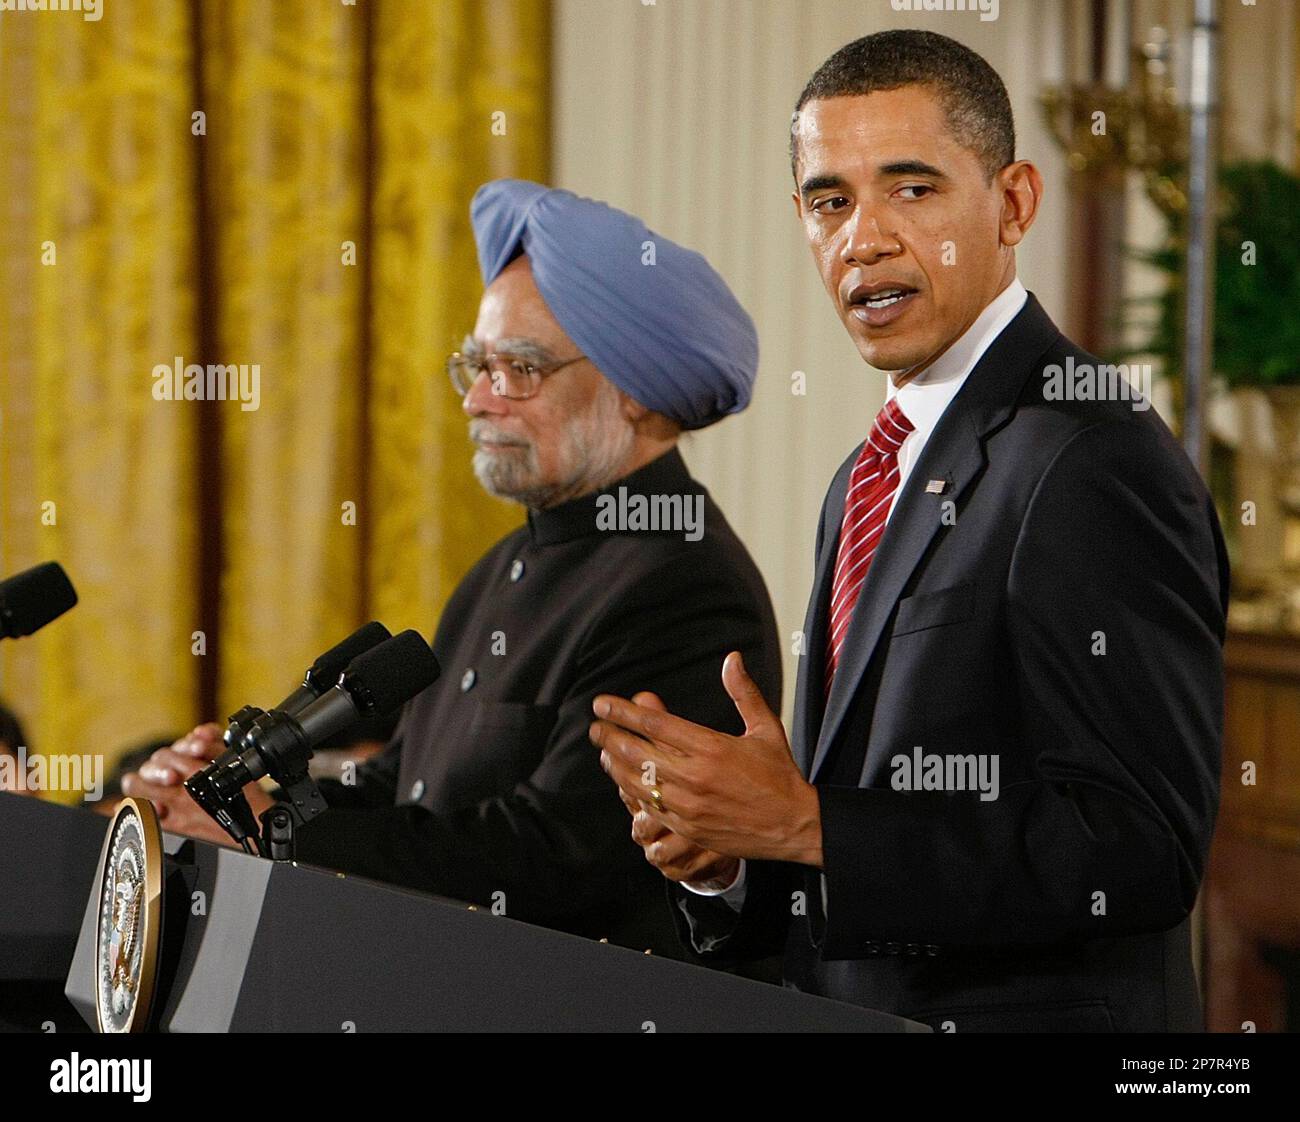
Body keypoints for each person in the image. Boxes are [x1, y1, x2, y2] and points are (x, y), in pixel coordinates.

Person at [590, 30, 1228, 1029]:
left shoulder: (1092, 459)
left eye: (912, 189)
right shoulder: (867, 473)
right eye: (828, 200)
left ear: (1012, 202)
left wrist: (810, 824)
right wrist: (736, 863)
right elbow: (854, 846)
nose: (864, 237)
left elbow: (1141, 850)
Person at [123, 180, 781, 957]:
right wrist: (247, 804)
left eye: (519, 369)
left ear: (634, 392)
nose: (477, 400)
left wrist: (278, 840)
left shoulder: (682, 584)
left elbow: (560, 860)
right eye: (477, 365)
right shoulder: (502, 566)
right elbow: (406, 785)